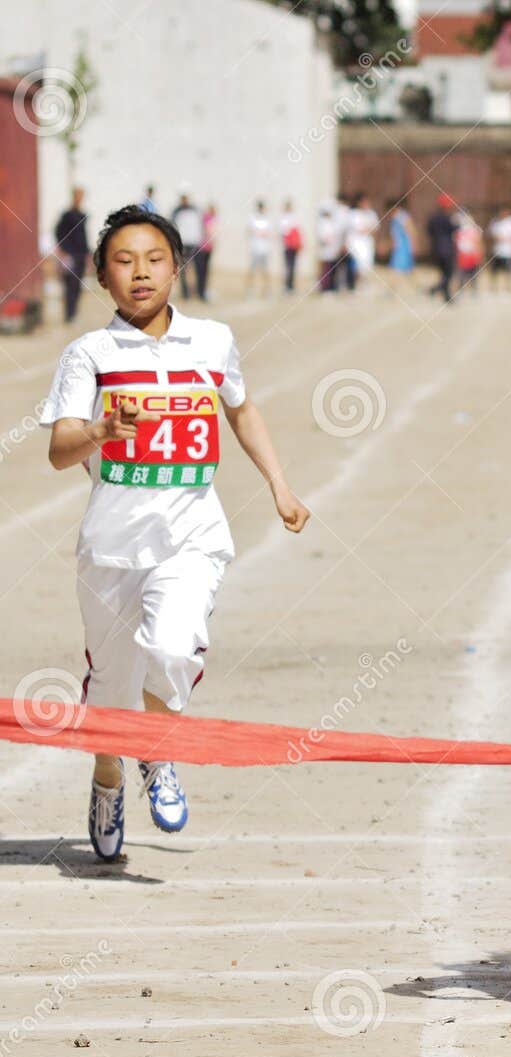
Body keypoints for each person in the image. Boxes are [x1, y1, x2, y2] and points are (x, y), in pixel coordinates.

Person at [39, 205, 310, 862]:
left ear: (177, 267)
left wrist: (278, 483)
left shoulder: (213, 340)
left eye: (154, 259)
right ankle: (108, 779)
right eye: (123, 262)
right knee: (110, 688)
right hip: (112, 540)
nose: (140, 273)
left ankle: (159, 757)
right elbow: (59, 448)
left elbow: (241, 411)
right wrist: (103, 431)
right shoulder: (90, 354)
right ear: (103, 277)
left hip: (193, 530)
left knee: (175, 644)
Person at [54, 187, 91, 324]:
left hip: (81, 256)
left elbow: (84, 236)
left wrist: (87, 253)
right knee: (70, 285)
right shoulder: (67, 215)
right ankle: (69, 315)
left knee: (78, 286)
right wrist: (64, 250)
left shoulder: (82, 215)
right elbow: (58, 232)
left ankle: (74, 313)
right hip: (70, 256)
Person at [170, 192, 203, 301]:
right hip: (182, 243)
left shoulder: (195, 210)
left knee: (195, 268)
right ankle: (185, 292)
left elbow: (199, 226)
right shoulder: (176, 211)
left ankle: (197, 290)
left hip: (194, 243)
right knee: (183, 268)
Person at [345, 194, 379, 293]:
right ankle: (352, 285)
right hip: (355, 243)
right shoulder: (352, 214)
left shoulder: (371, 214)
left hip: (367, 243)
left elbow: (375, 228)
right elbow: (350, 230)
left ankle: (362, 284)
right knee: (356, 265)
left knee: (366, 265)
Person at [426, 194, 457, 304]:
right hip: (447, 249)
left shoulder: (433, 218)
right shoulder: (449, 219)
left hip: (436, 248)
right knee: (448, 273)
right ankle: (437, 289)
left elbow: (429, 232)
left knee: (444, 273)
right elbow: (455, 230)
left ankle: (445, 294)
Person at [246, 199, 274, 299]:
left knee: (265, 271)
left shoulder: (267, 219)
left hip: (264, 249)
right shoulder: (252, 218)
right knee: (252, 271)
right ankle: (250, 291)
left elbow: (269, 233)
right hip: (255, 249)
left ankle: (267, 291)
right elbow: (250, 231)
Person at [454, 208, 484, 295]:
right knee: (461, 274)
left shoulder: (475, 229)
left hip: (473, 254)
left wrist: (480, 254)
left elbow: (479, 242)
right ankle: (461, 290)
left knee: (473, 274)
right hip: (461, 254)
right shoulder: (458, 229)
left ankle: (474, 290)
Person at [316, 202, 342, 294]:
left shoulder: (333, 223)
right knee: (326, 270)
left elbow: (337, 235)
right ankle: (324, 288)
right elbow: (322, 237)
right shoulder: (322, 223)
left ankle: (332, 287)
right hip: (325, 251)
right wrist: (328, 240)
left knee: (333, 269)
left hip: (333, 250)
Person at [387, 198, 415, 282]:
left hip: (403, 241)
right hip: (399, 241)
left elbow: (409, 228)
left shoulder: (401, 216)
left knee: (402, 258)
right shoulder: (396, 216)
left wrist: (412, 241)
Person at [194, 203, 217, 302]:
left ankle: (202, 290)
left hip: (208, 248)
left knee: (205, 271)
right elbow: (208, 232)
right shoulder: (206, 219)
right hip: (202, 248)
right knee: (201, 271)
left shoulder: (212, 218)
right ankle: (200, 292)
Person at [280, 199, 303, 294]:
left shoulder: (294, 217)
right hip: (287, 246)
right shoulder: (283, 218)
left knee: (293, 266)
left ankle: (291, 286)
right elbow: (283, 232)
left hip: (294, 246)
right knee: (288, 266)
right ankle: (287, 285)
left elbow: (297, 231)